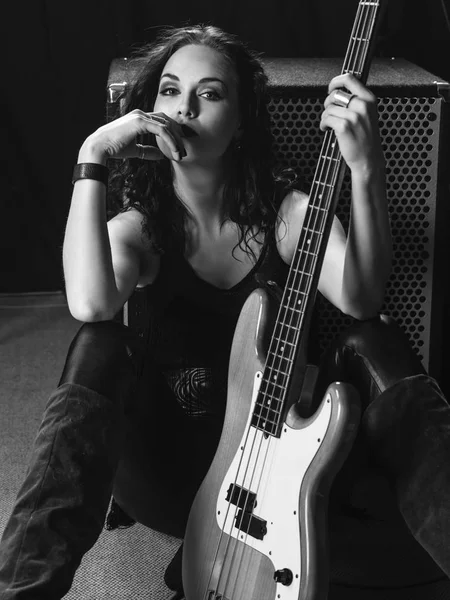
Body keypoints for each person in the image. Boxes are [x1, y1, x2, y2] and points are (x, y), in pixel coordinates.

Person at [0, 23, 449, 600]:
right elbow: (91, 302)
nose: (183, 107)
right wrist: (92, 156)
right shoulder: (140, 228)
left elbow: (361, 298)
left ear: (241, 122)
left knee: (372, 340)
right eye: (169, 90)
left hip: (275, 471)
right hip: (170, 474)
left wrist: (365, 169)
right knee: (99, 344)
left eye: (209, 94)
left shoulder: (288, 214)